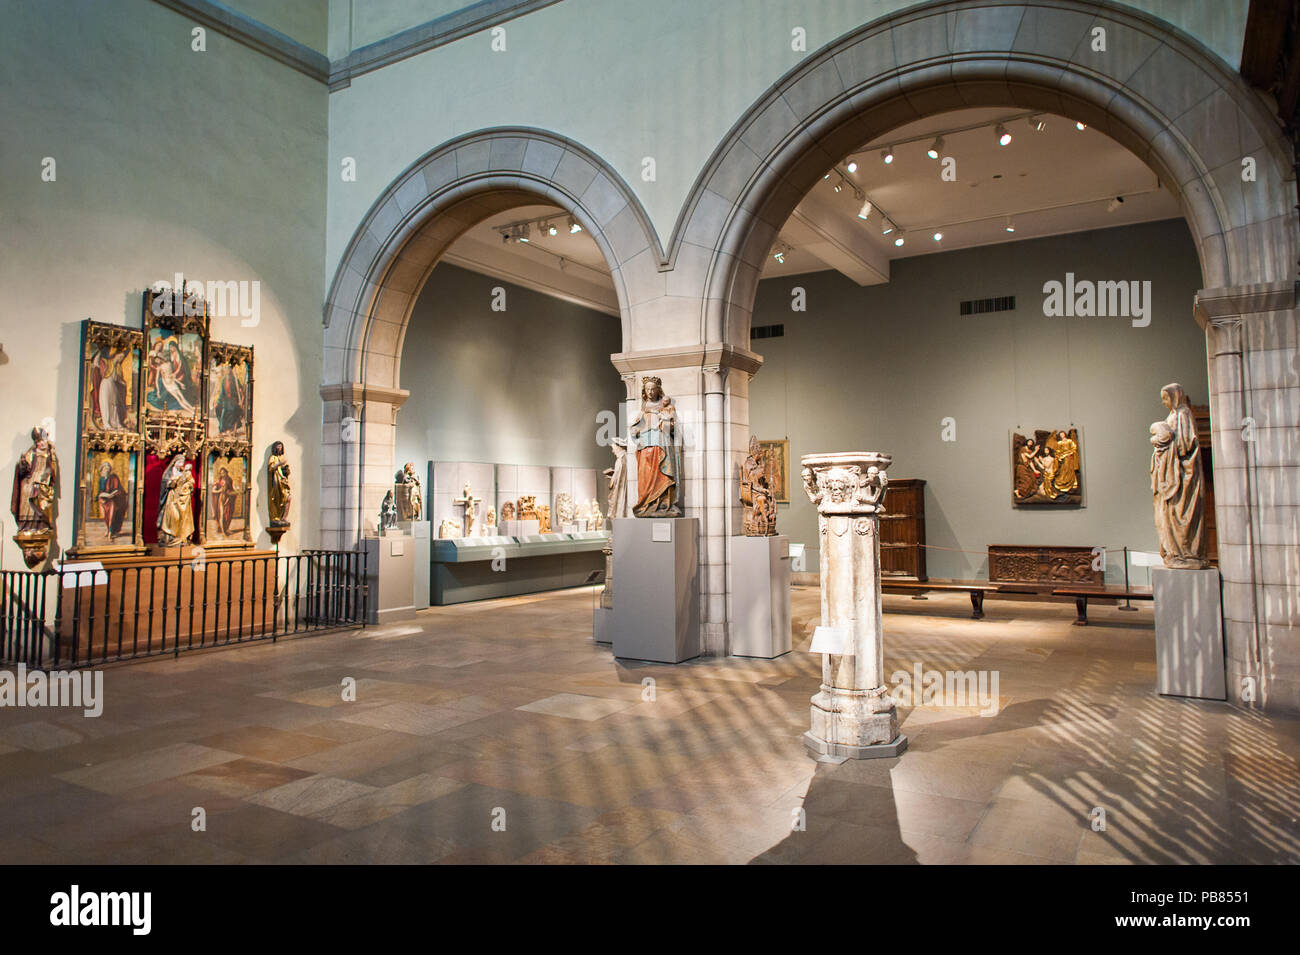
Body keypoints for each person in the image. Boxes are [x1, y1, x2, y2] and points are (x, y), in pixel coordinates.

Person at [1150, 383, 1207, 568]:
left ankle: (1187, 553)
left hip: (1182, 474)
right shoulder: (1174, 415)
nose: (1163, 402)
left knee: (1182, 513)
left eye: (1166, 398)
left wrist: (1163, 442)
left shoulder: (1183, 414)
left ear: (1175, 396)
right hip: (1170, 472)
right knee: (1170, 515)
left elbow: (1184, 445)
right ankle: (1176, 552)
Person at [629, 377, 683, 517]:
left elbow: (671, 425)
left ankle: (663, 503)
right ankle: (647, 503)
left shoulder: (665, 406)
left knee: (661, 470)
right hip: (645, 443)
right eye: (647, 389)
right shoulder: (644, 406)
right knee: (645, 473)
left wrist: (666, 422)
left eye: (653, 389)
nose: (650, 392)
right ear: (644, 391)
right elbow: (637, 425)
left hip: (660, 442)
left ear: (658, 389)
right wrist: (635, 429)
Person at [157, 453, 195, 546]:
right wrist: (172, 482)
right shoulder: (169, 472)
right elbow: (165, 484)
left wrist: (187, 486)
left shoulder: (184, 473)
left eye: (183, 462)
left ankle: (181, 538)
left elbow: (191, 481)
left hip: (183, 499)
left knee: (182, 518)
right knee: (173, 517)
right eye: (180, 462)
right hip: (172, 499)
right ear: (175, 462)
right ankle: (170, 537)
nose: (182, 464)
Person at [97, 459, 128, 540]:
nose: (106, 470)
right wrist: (101, 495)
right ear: (102, 469)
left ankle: (111, 532)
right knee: (105, 516)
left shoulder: (113, 477)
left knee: (111, 516)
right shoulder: (101, 479)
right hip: (103, 500)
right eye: (104, 468)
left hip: (112, 500)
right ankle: (108, 529)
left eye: (108, 468)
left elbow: (117, 489)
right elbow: (100, 490)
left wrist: (111, 495)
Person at [267, 441, 291, 526]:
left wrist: (286, 470)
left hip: (283, 481)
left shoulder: (281, 457)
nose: (279, 448)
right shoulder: (273, 457)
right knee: (276, 499)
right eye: (278, 446)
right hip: (276, 482)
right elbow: (271, 468)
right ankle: (276, 518)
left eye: (280, 446)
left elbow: (284, 471)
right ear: (274, 448)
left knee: (288, 498)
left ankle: (283, 517)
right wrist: (279, 464)